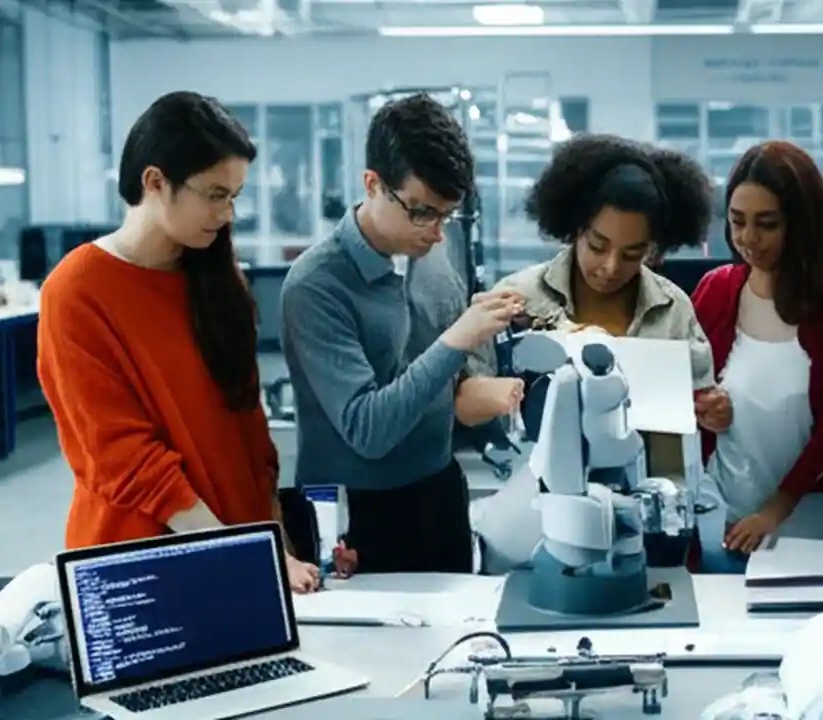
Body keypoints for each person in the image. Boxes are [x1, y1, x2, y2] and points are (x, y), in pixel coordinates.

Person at [37, 91, 321, 593]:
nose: (229, 213)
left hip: (239, 550)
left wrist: (274, 541)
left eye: (234, 196)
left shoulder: (217, 279)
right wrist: (243, 558)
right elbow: (125, 459)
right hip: (142, 566)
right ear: (155, 182)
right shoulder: (77, 290)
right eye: (215, 194)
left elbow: (248, 429)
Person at [280, 93, 524, 576]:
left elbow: (446, 379)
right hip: (356, 517)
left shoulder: (431, 247)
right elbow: (368, 431)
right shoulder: (316, 285)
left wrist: (489, 350)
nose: (436, 233)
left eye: (446, 215)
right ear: (373, 184)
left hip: (437, 496)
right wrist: (456, 338)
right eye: (422, 212)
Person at [690, 141, 823, 573]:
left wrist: (775, 510)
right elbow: (681, 396)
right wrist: (704, 410)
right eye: (737, 221)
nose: (748, 238)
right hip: (719, 513)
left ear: (801, 225)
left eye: (767, 224)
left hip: (803, 521)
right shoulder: (716, 290)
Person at [464, 134, 715, 390]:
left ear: (654, 247)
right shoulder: (515, 298)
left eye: (632, 254)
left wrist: (711, 407)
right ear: (575, 228)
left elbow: (698, 398)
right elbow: (469, 398)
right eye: (597, 246)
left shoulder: (673, 311)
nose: (611, 266)